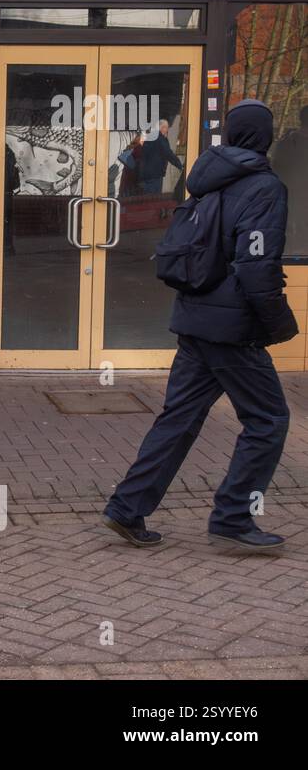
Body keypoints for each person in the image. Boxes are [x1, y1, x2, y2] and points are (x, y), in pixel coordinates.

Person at [103, 99, 298, 552]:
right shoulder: (264, 188)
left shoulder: (207, 180)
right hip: (232, 329)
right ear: (264, 137)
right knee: (268, 419)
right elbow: (256, 266)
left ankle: (126, 508)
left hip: (194, 317)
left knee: (180, 418)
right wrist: (278, 323)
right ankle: (233, 517)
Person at [269, 104, 308, 254]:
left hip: (290, 206)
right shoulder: (287, 144)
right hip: (294, 207)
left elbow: (275, 171)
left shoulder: (285, 144)